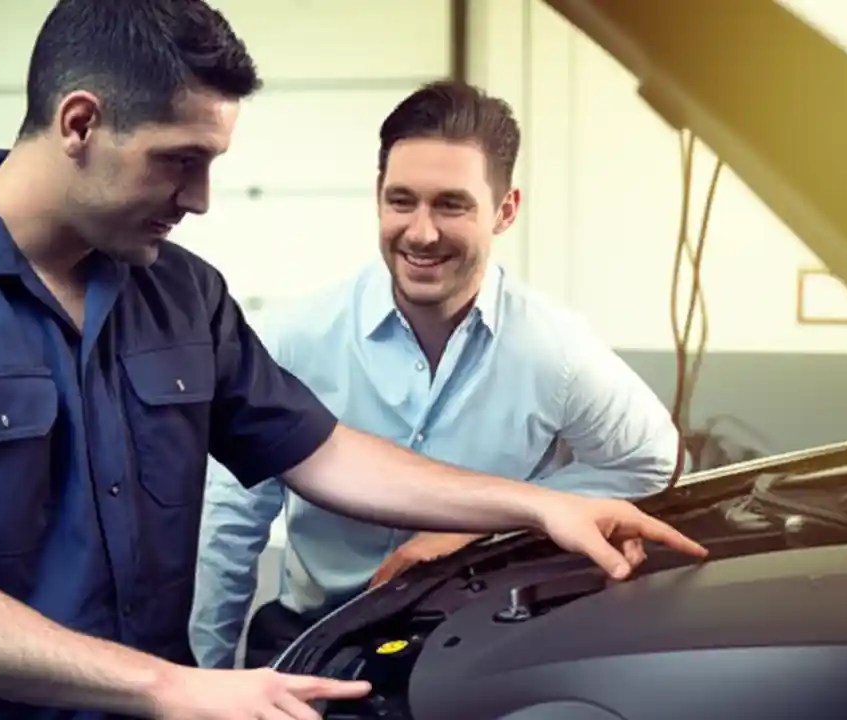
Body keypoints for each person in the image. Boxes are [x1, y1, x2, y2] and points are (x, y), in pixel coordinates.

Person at [0, 2, 706, 719]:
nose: (199, 198)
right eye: (179, 161)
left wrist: (542, 507)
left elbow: (327, 454)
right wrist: (175, 685)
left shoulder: (182, 293)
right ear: (80, 122)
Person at [189, 81, 683, 670]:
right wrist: (203, 678)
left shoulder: (556, 348)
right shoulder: (295, 335)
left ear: (505, 210)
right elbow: (230, 522)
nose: (421, 233)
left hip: (482, 633)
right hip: (318, 633)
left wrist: (482, 529)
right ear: (378, 198)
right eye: (402, 201)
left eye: (451, 204)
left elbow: (652, 458)